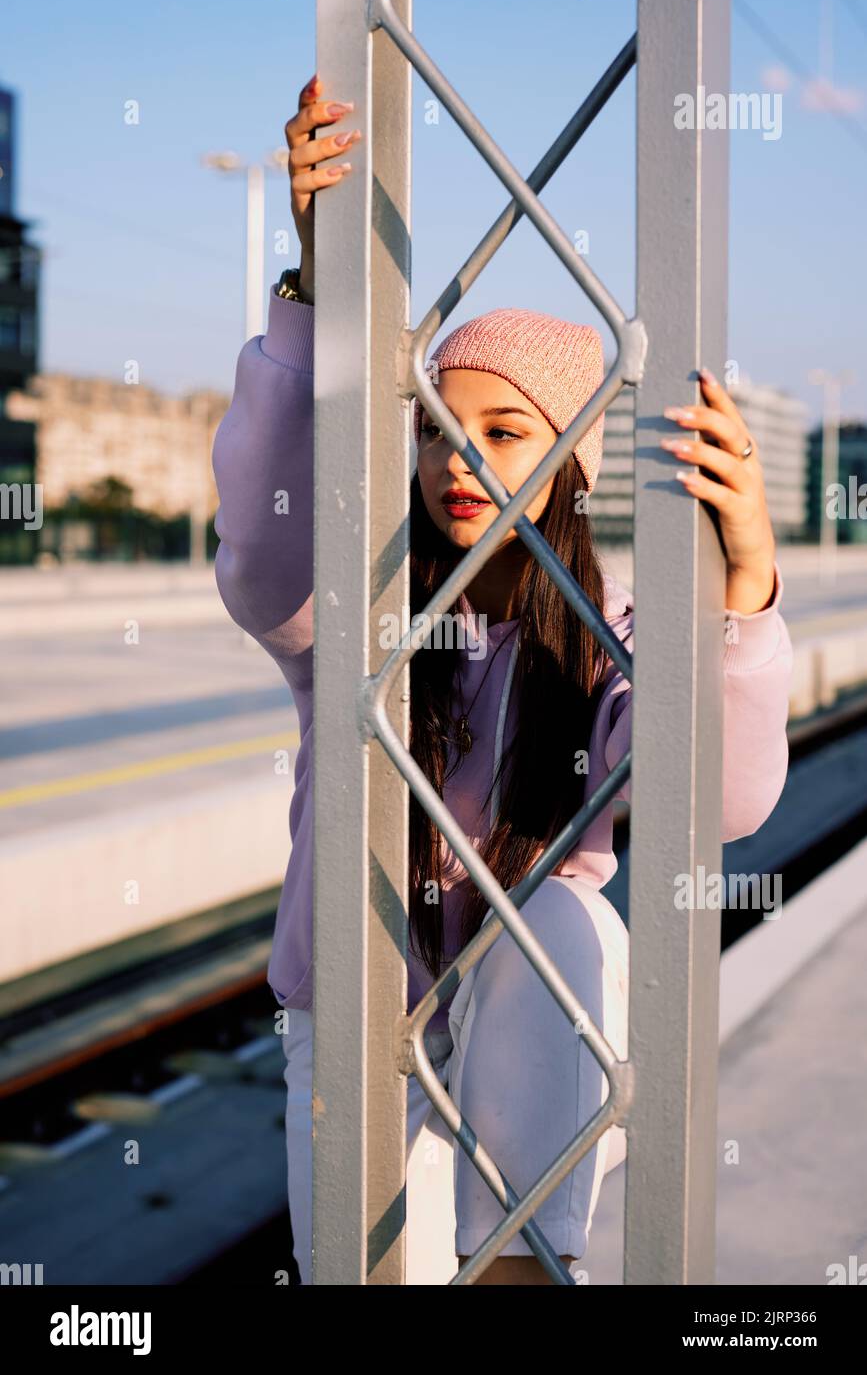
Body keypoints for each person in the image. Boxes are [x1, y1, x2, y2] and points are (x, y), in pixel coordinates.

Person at [211, 72, 794, 1285]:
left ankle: (527, 1263)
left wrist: (744, 592)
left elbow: (722, 802)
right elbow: (265, 559)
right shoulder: (362, 616)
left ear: (574, 463)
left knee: (565, 915)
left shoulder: (610, 639)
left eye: (507, 429)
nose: (457, 457)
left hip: (527, 1031)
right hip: (357, 1015)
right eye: (433, 426)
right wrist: (315, 292)